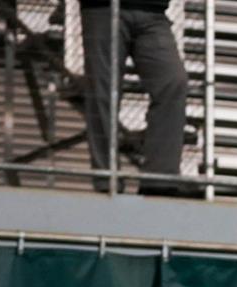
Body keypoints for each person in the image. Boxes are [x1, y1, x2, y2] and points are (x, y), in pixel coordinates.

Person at [76, 0, 190, 195]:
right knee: (103, 91)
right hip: (103, 7)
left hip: (153, 10)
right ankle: (106, 179)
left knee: (173, 82)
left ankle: (159, 181)